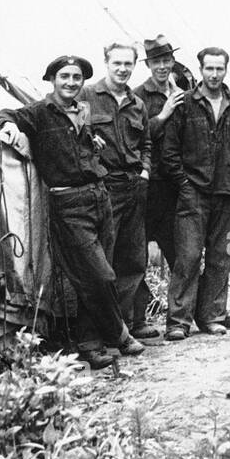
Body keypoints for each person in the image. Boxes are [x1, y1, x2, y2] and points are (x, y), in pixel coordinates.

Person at [0, 55, 145, 368]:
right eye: (64, 77)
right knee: (100, 274)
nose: (71, 82)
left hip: (101, 197)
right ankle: (120, 335)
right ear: (52, 80)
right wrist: (9, 127)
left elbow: (82, 146)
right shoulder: (39, 113)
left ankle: (90, 345)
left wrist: (91, 142)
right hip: (68, 203)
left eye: (76, 77)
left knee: (96, 275)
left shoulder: (83, 111)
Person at [160, 47, 230, 339]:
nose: (214, 75)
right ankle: (178, 322)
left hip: (228, 195)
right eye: (209, 69)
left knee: (225, 254)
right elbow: (169, 152)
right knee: (187, 257)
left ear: (226, 70)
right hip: (194, 195)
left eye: (219, 69)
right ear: (200, 70)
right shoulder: (185, 103)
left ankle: (214, 316)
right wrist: (185, 184)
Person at [81, 42, 155, 342]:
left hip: (134, 187)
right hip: (105, 189)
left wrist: (146, 170)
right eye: (117, 64)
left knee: (133, 261)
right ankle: (96, 334)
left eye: (128, 64)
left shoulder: (137, 104)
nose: (123, 69)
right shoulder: (87, 96)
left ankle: (120, 328)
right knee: (102, 264)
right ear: (106, 63)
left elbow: (147, 143)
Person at [132, 37, 189, 338]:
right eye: (157, 62)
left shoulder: (183, 92)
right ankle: (138, 319)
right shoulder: (138, 95)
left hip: (175, 184)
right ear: (149, 65)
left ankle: (180, 316)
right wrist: (164, 114)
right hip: (147, 184)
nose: (163, 67)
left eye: (167, 61)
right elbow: (137, 136)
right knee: (137, 254)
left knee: (179, 252)